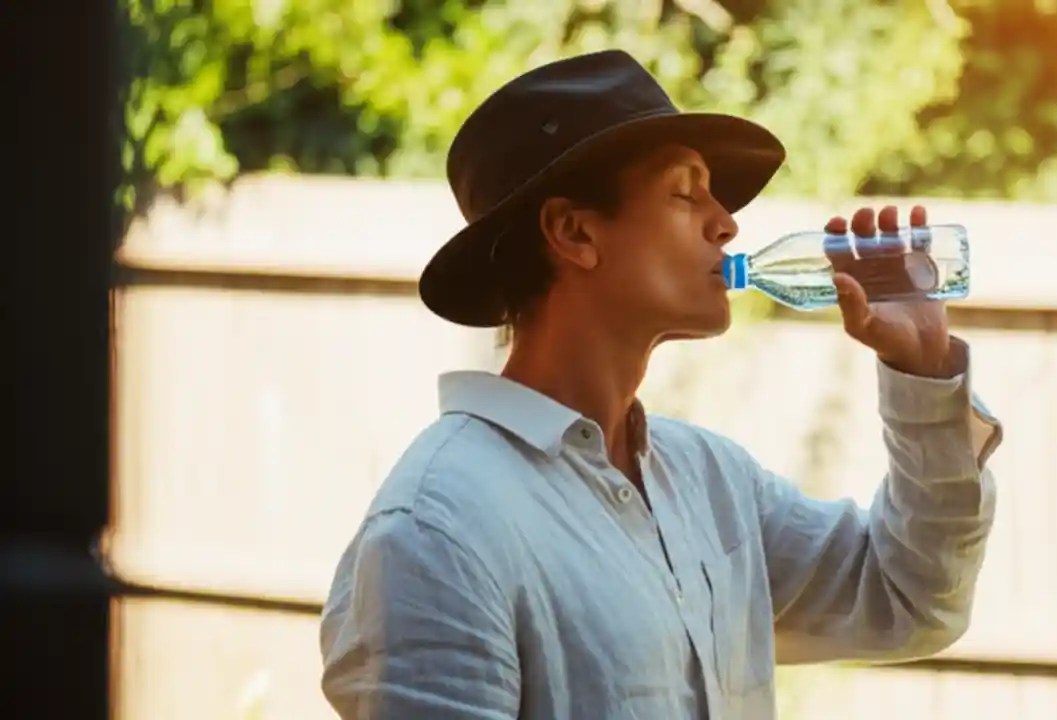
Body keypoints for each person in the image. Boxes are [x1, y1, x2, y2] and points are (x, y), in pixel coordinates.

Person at [319, 49, 1002, 720]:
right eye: (685, 191)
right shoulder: (438, 527)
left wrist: (920, 368)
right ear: (575, 232)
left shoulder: (711, 482)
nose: (727, 222)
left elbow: (911, 599)